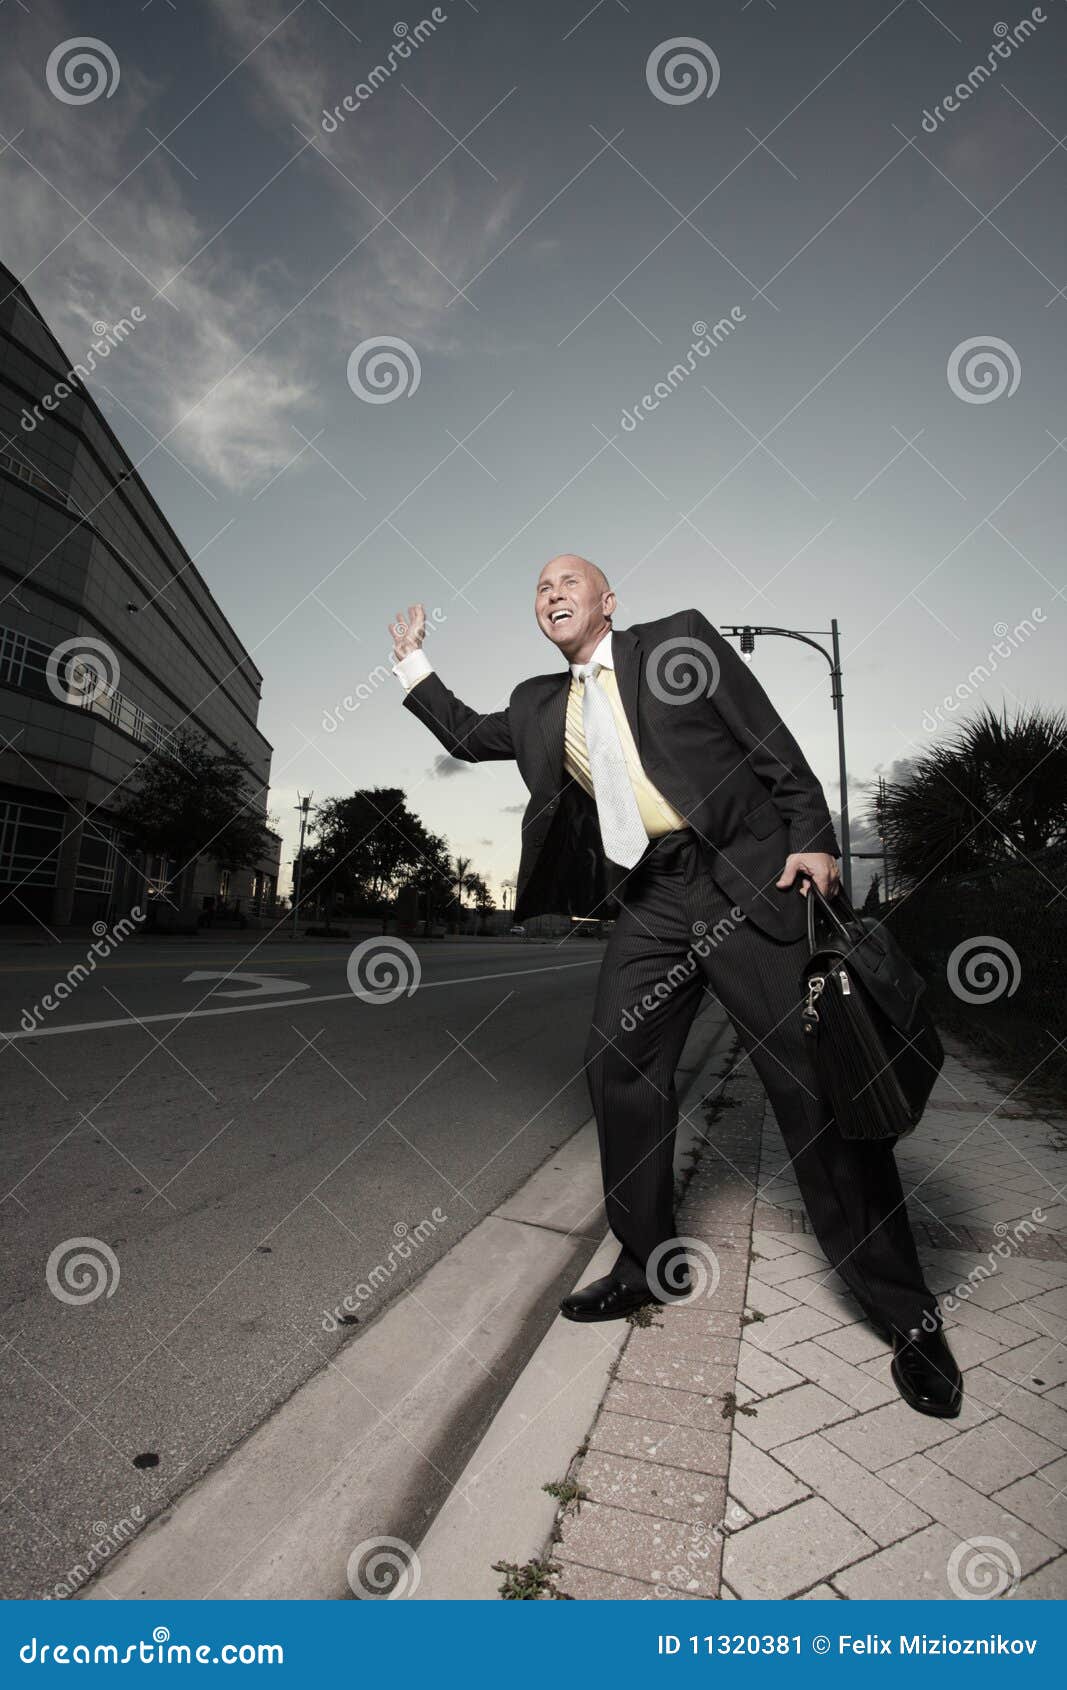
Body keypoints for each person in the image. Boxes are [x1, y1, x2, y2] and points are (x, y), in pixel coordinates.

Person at [388, 555, 961, 1418]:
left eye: (567, 581)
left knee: (814, 1095)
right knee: (617, 1062)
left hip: (746, 880)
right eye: (539, 588)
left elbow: (764, 735)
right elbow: (468, 735)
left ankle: (905, 1313)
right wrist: (412, 668)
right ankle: (643, 1262)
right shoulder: (539, 705)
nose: (551, 594)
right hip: (652, 899)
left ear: (607, 601)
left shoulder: (677, 642)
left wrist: (812, 833)